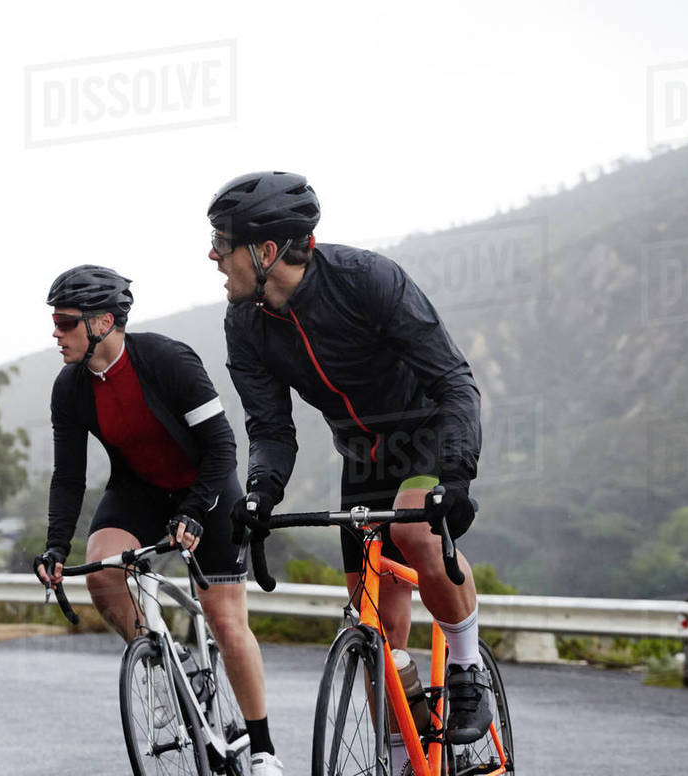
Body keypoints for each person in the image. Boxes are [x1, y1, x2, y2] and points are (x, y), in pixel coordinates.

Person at [206, 172, 492, 755]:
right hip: (361, 457)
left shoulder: (367, 280)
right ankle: (402, 751)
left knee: (414, 527)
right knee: (375, 627)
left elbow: (456, 382)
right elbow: (271, 429)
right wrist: (260, 491)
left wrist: (457, 476)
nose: (212, 255)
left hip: (427, 434)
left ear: (264, 251)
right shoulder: (244, 324)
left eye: (221, 241)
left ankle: (466, 670)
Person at [33, 264, 284, 776]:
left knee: (225, 620)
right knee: (103, 572)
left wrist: (194, 509)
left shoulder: (166, 359)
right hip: (139, 491)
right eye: (55, 323)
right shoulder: (70, 387)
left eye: (65, 322)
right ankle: (177, 665)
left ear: (102, 322)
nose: (56, 334)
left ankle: (262, 750)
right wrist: (56, 546)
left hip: (206, 489)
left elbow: (222, 446)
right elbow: (68, 478)